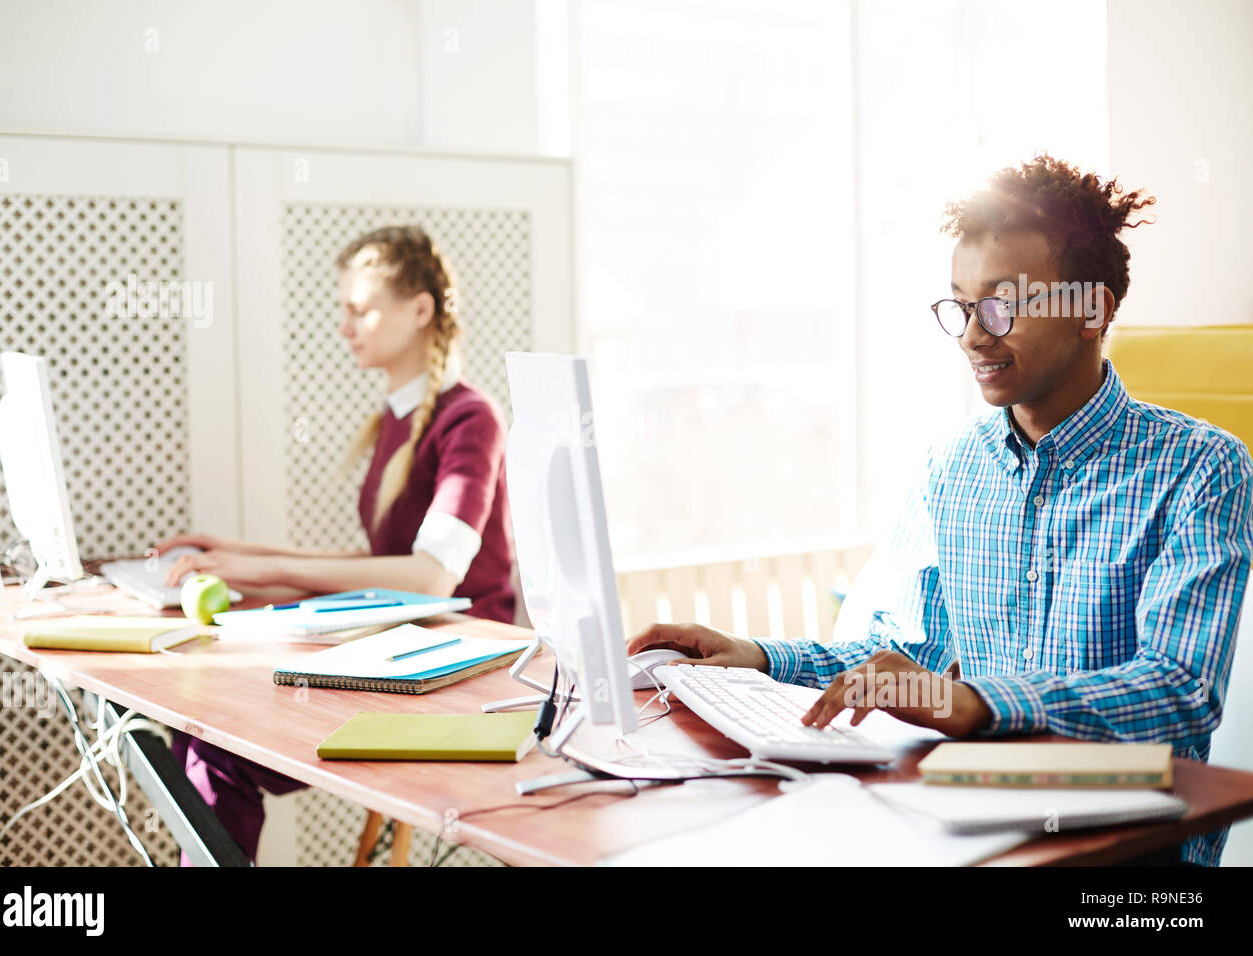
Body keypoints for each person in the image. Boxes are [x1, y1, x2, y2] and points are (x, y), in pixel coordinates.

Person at [627, 154, 1253, 866]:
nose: (973, 335)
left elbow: (1178, 689)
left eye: (1002, 305)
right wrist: (760, 656)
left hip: (1132, 860)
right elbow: (914, 653)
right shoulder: (953, 466)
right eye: (960, 304)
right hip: (976, 827)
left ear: (1092, 310)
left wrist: (981, 703)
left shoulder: (1201, 466)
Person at [157, 224, 517, 862]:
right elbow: (380, 567)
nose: (346, 326)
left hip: (460, 670)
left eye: (361, 310)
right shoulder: (397, 419)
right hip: (404, 643)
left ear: (421, 310)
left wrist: (253, 567)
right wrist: (242, 556)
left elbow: (432, 577)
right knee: (194, 730)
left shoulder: (471, 418)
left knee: (216, 750)